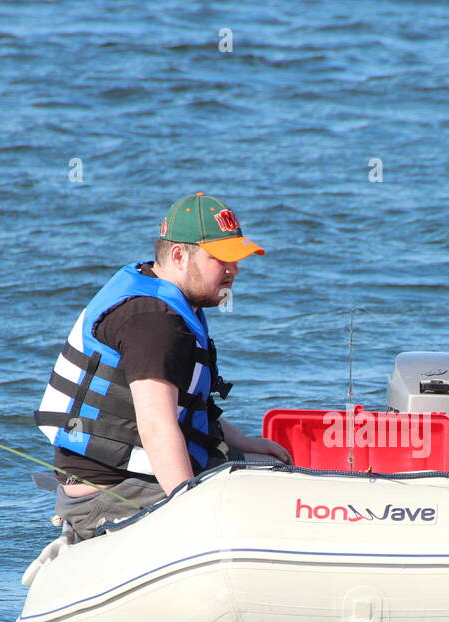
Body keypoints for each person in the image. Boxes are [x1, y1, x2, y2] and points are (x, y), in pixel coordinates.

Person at [34, 192, 291, 542]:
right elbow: (156, 427)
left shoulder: (165, 293)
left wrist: (245, 443)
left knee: (275, 470)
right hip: (116, 493)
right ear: (178, 255)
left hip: (140, 477)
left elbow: (187, 408)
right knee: (268, 506)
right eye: (222, 259)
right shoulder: (154, 322)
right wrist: (189, 510)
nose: (234, 270)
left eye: (237, 258)